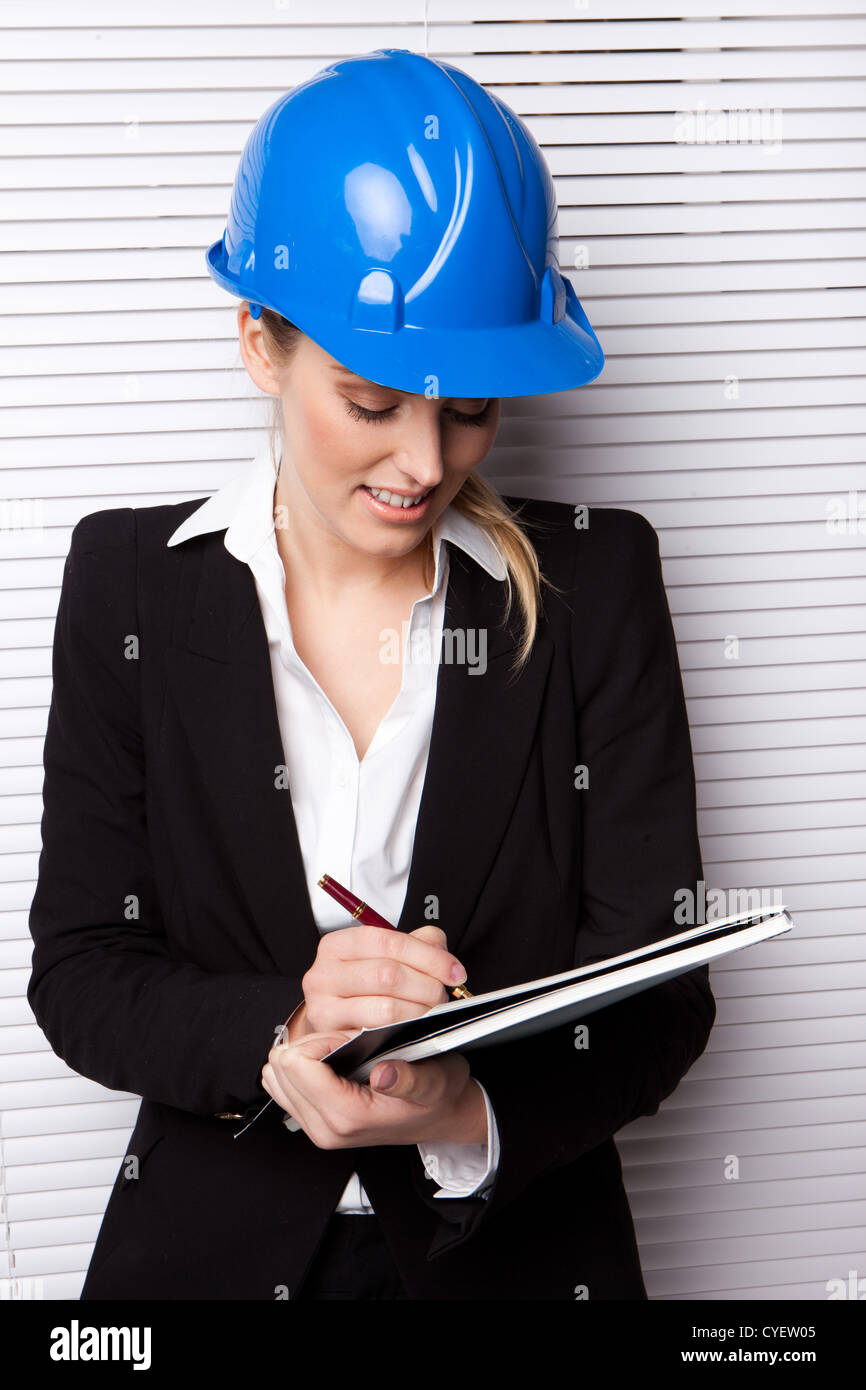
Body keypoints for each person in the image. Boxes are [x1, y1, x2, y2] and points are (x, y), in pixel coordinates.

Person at [27, 49, 715, 1301]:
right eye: (370, 401)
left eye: (468, 410)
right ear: (259, 342)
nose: (424, 464)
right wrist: (279, 1028)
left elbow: (658, 997)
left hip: (513, 1261)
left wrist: (464, 1111)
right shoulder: (129, 585)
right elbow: (81, 969)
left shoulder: (595, 585)